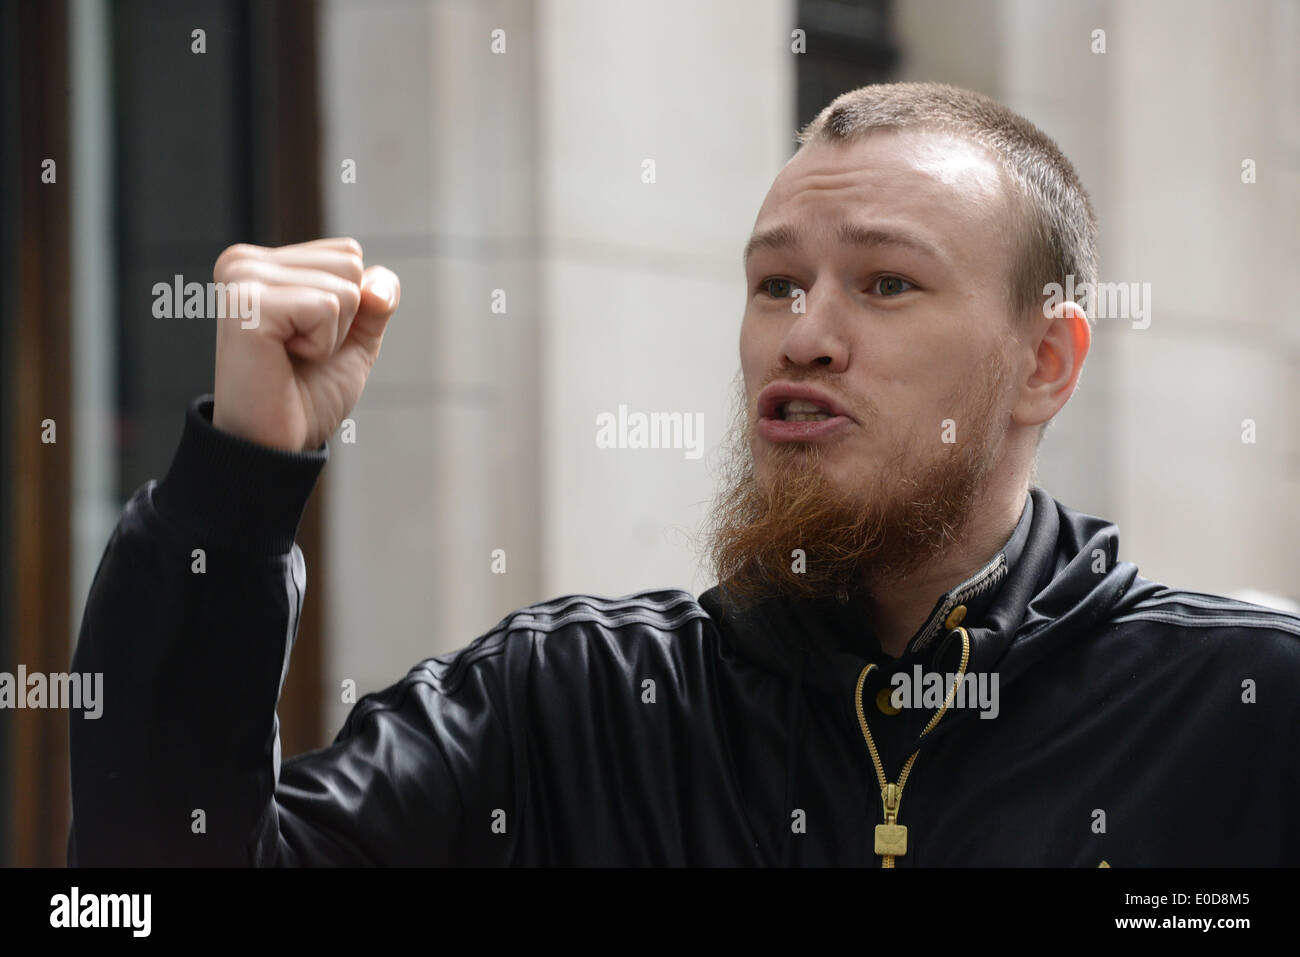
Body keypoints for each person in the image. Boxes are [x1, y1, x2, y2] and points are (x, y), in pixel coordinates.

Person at [67, 82, 1300, 867]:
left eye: (884, 282)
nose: (802, 333)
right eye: (775, 282)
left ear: (1044, 361)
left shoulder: (1241, 709)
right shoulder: (568, 707)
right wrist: (237, 483)